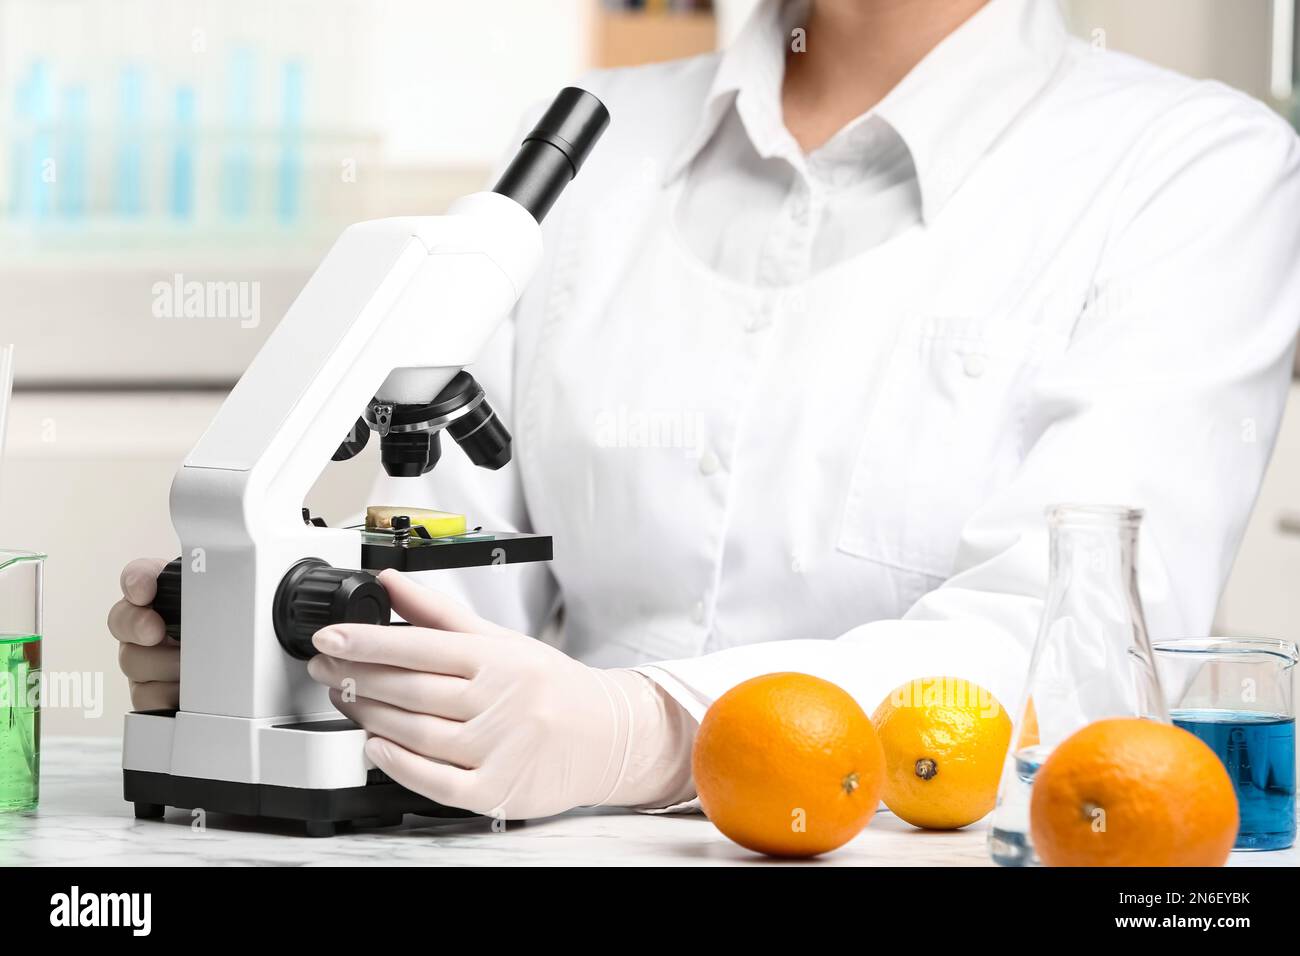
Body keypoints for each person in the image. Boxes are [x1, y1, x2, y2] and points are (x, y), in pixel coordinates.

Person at [109, 0, 1300, 819]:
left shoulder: (1193, 170)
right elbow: (452, 591)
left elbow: (1075, 647)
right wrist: (283, 669)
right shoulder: (596, 133)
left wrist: (648, 728)